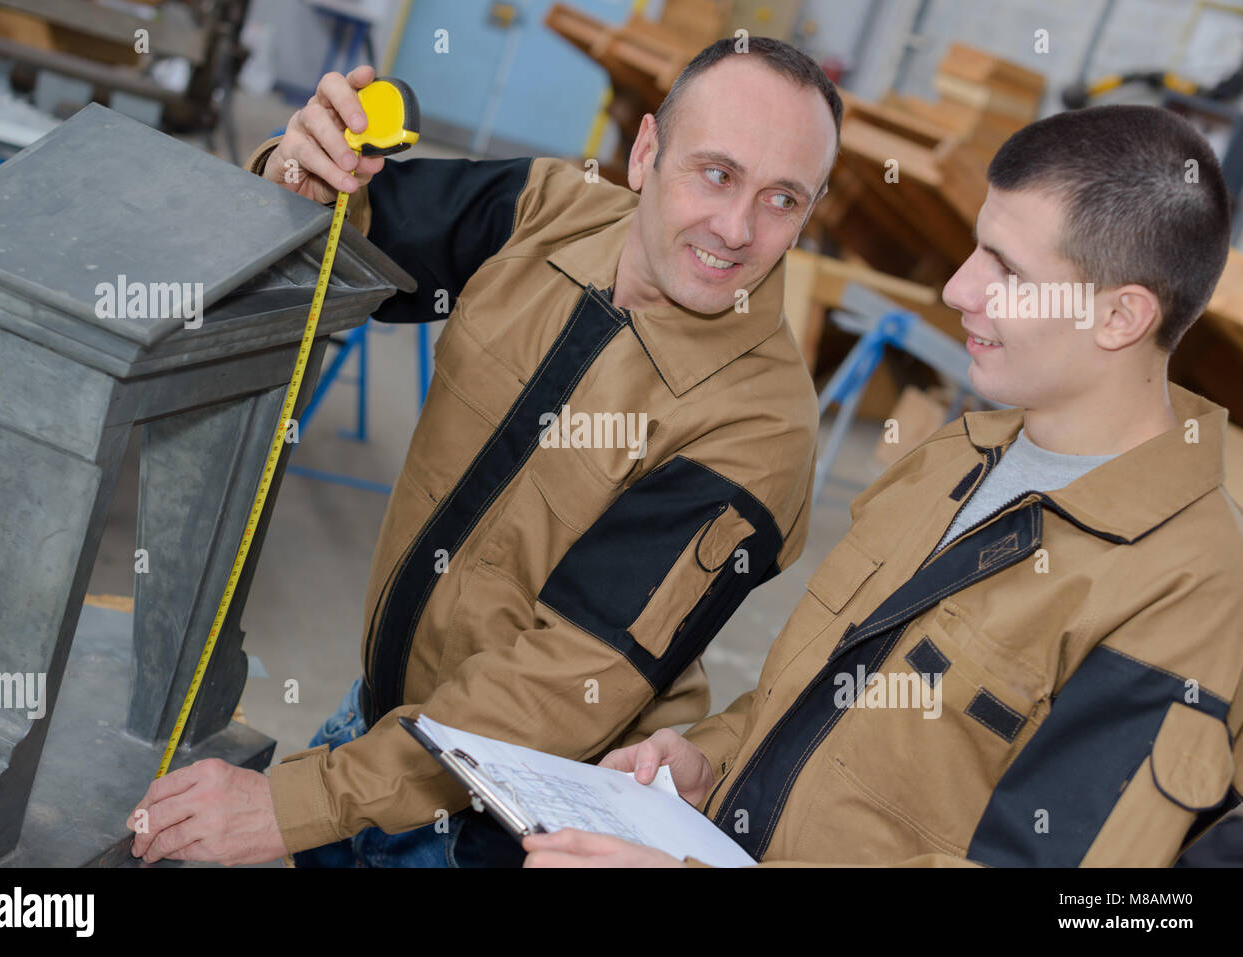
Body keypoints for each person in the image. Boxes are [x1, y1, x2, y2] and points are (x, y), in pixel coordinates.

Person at [128, 37, 841, 866]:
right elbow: (346, 245)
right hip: (379, 733)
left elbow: (556, 685)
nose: (737, 228)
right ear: (646, 151)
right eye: (716, 173)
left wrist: (295, 805)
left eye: (783, 199)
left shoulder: (761, 429)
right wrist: (297, 172)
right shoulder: (545, 209)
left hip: (514, 822)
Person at [524, 103, 1243, 868]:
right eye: (976, 249)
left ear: (1120, 316)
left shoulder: (1192, 592)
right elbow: (828, 707)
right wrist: (714, 761)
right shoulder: (953, 459)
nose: (960, 288)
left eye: (1008, 269)